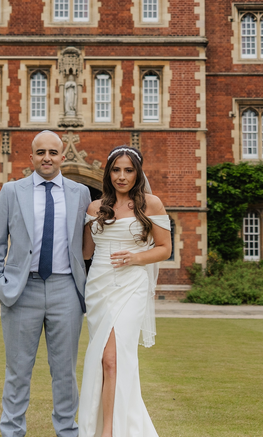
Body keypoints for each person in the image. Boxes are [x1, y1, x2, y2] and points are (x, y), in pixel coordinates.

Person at [0, 130, 92, 437]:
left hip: (65, 290)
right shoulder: (11, 191)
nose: (47, 158)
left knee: (64, 372)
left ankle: (66, 430)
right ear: (31, 157)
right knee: (18, 371)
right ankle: (12, 432)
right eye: (41, 152)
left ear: (63, 156)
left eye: (53, 152)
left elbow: (87, 245)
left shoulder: (80, 193)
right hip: (22, 291)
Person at [78, 146, 172, 437]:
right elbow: (84, 253)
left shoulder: (152, 204)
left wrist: (135, 257)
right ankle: (105, 426)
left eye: (128, 170)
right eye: (116, 170)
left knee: (113, 358)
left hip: (132, 284)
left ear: (138, 173)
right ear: (108, 172)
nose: (122, 176)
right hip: (99, 286)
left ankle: (108, 431)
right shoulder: (95, 208)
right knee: (101, 358)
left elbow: (165, 249)